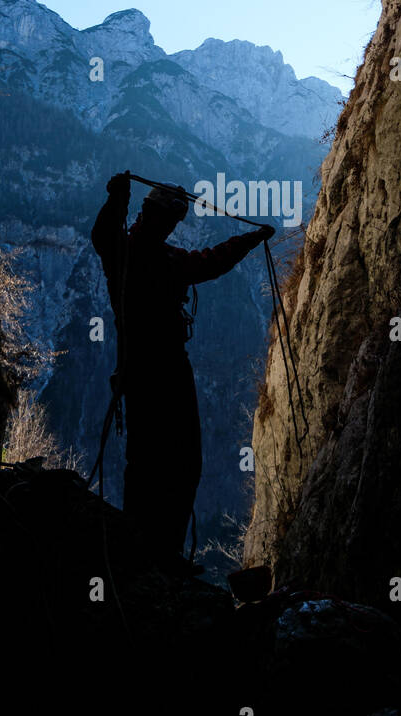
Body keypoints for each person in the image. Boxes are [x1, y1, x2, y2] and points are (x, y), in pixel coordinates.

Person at [91, 171, 274, 567]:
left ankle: (148, 546)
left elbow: (209, 262)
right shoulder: (138, 254)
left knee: (156, 460)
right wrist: (115, 202)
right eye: (170, 221)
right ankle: (155, 549)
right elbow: (208, 262)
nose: (172, 227)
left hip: (145, 371)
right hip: (159, 370)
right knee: (176, 460)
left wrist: (250, 239)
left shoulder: (139, 253)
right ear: (156, 216)